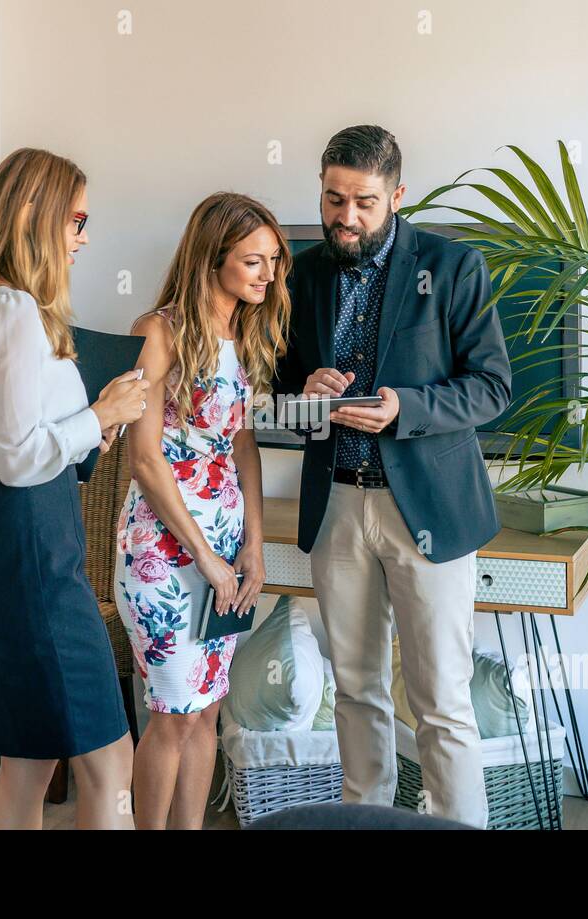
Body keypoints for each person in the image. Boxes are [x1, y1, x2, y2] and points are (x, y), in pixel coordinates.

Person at [273, 125, 513, 829]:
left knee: (441, 699)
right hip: (337, 506)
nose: (346, 217)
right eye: (333, 198)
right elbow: (278, 386)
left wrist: (406, 407)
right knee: (355, 690)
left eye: (365, 203)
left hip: (429, 510)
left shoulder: (454, 265)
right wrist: (307, 389)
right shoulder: (303, 272)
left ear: (398, 195)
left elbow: (494, 386)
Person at [0, 147, 149, 829]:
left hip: (11, 539)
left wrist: (96, 428)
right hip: (35, 553)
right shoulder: (17, 310)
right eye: (76, 219)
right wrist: (103, 414)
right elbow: (20, 457)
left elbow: (20, 447)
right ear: (34, 213)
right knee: (113, 760)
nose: (83, 237)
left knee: (28, 761)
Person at [114, 192, 290, 829]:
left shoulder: (242, 333)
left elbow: (242, 442)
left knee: (208, 710)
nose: (268, 276)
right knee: (173, 713)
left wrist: (254, 545)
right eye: (253, 261)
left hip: (224, 550)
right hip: (164, 555)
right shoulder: (156, 330)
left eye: (274, 261)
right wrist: (207, 557)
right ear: (211, 258)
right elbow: (145, 460)